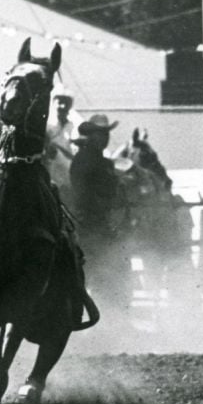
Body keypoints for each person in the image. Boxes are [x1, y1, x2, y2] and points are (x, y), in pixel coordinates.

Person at [69, 114, 131, 311]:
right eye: (100, 133)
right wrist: (106, 219)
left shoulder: (99, 161)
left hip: (101, 227)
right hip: (91, 229)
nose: (105, 138)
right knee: (102, 275)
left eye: (106, 134)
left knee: (111, 276)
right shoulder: (85, 160)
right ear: (91, 136)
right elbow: (84, 197)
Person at [44, 86, 83, 196]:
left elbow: (74, 153)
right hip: (50, 168)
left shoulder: (74, 127)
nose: (62, 106)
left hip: (67, 169)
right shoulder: (48, 126)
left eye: (65, 103)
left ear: (69, 106)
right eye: (59, 103)